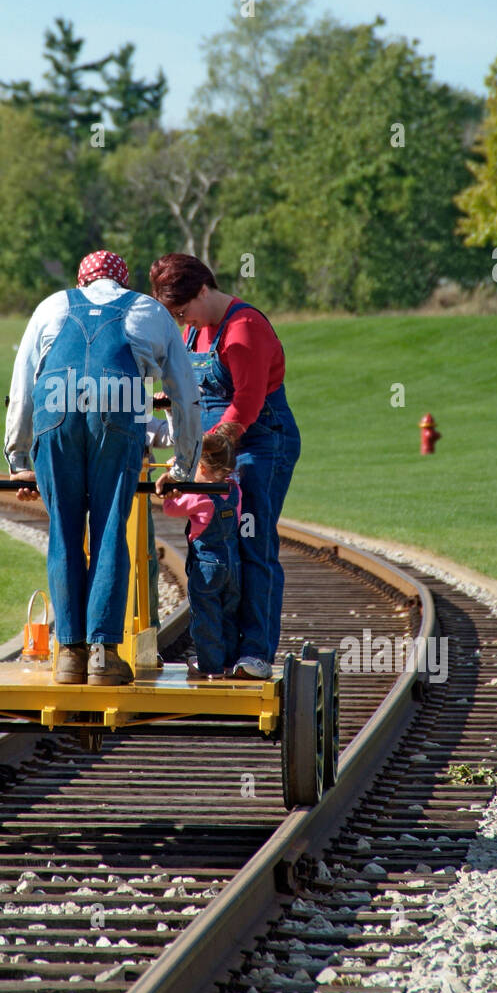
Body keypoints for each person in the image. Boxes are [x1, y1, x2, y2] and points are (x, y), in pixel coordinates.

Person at [5, 250, 202, 686]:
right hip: (119, 419)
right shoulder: (148, 311)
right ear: (124, 281)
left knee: (64, 531)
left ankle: (68, 655)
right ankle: (103, 654)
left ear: (81, 282)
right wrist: (184, 464)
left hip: (55, 415)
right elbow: (185, 394)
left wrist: (19, 461)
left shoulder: (51, 307)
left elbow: (22, 387)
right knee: (111, 527)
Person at [150, 253, 301, 679]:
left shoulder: (243, 329)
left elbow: (245, 405)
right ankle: (222, 654)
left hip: (259, 444)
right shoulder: (195, 331)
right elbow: (194, 390)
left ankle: (255, 653)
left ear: (203, 289)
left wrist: (205, 461)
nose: (184, 320)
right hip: (218, 448)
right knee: (219, 546)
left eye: (183, 310)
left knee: (253, 546)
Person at [161, 432, 242, 679]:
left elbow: (170, 508)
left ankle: (210, 665)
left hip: (207, 566)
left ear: (203, 468)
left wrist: (174, 478)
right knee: (228, 614)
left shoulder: (200, 496)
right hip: (233, 565)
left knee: (205, 615)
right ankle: (229, 662)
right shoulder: (235, 489)